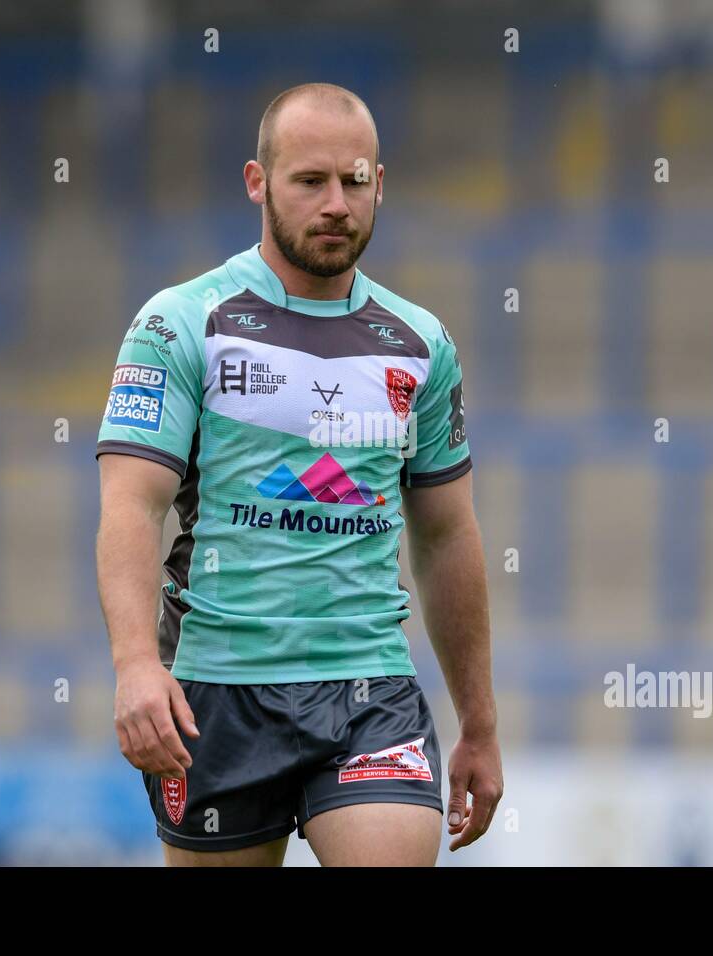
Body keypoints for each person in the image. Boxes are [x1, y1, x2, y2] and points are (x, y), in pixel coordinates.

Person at [95, 82, 501, 866]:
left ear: (380, 184)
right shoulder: (181, 323)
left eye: (355, 180)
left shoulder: (420, 344)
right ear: (258, 183)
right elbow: (131, 508)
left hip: (368, 690)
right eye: (309, 181)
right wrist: (136, 667)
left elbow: (449, 535)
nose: (337, 204)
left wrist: (478, 722)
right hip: (215, 691)